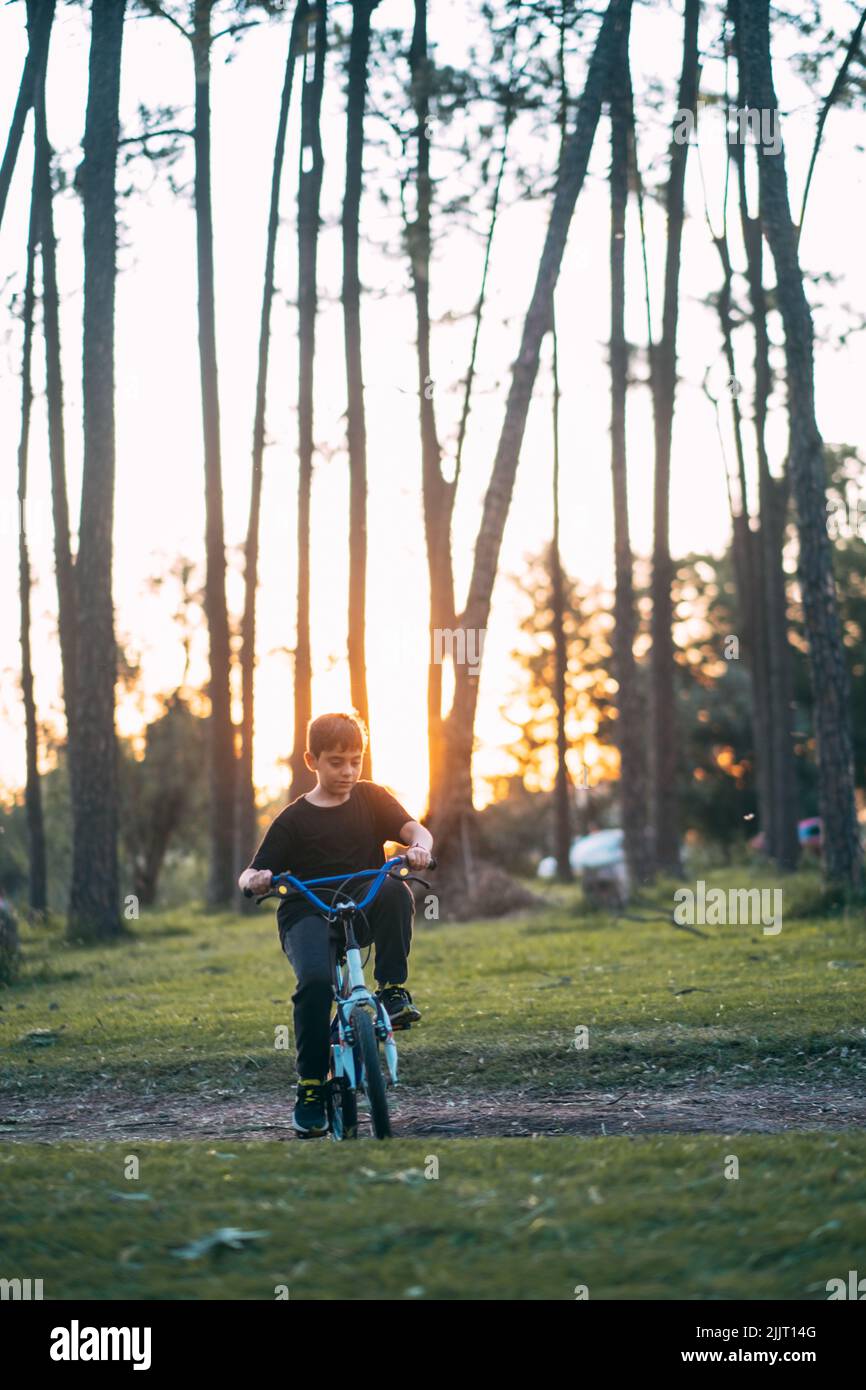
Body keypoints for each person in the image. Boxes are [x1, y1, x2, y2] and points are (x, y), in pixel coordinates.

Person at [238, 711, 434, 1138]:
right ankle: (310, 1087)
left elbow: (415, 828)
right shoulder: (293, 820)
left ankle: (393, 989)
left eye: (355, 760)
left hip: (359, 905)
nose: (347, 771)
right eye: (336, 762)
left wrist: (419, 846)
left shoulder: (371, 798)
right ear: (312, 761)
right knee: (314, 984)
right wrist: (256, 880)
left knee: (395, 888)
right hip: (308, 913)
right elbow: (250, 873)